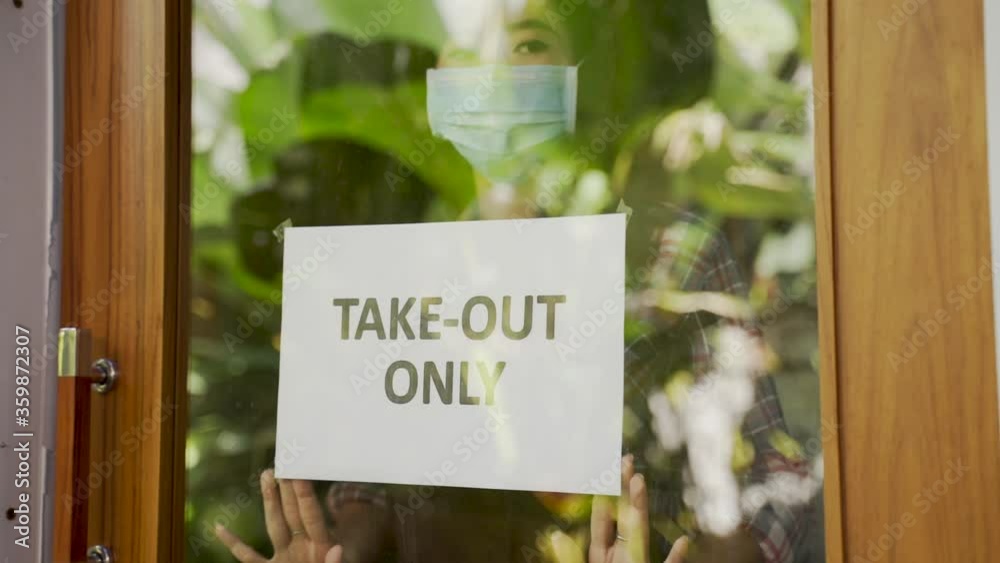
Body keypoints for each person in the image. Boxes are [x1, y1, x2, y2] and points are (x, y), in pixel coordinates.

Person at [216, 1, 814, 561]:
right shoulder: (404, 265)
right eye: (468, 52)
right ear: (440, 82)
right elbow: (372, 489)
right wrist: (329, 547)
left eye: (528, 43)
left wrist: (712, 548)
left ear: (577, 75)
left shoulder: (672, 251)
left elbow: (769, 478)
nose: (497, 71)